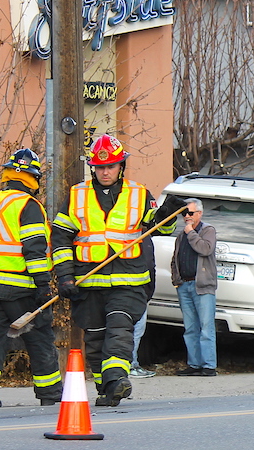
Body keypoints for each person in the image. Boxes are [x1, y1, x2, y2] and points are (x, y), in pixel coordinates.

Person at [52, 134, 183, 407]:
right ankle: (107, 388)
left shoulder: (138, 194)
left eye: (110, 166)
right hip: (88, 282)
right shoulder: (77, 195)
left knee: (120, 328)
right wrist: (64, 276)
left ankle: (117, 377)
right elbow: (61, 238)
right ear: (93, 168)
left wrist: (167, 213)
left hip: (129, 280)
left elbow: (159, 228)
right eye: (100, 167)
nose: (105, 172)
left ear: (120, 166)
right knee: (96, 338)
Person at [0, 148, 63, 408]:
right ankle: (50, 394)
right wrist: (43, 285)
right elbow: (33, 248)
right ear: (34, 180)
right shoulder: (29, 206)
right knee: (39, 336)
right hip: (21, 288)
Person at [172, 198, 219, 377]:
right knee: (190, 327)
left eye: (190, 213)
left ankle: (208, 366)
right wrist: (176, 279)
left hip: (203, 286)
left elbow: (205, 249)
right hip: (185, 285)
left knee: (206, 327)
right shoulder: (181, 235)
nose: (187, 217)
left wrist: (191, 233)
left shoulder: (207, 230)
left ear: (199, 213)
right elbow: (175, 258)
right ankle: (194, 364)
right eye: (184, 213)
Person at [129, 235, 157, 378]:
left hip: (142, 292)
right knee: (132, 331)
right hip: (131, 291)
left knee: (138, 331)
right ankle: (130, 365)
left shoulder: (147, 238)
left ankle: (132, 363)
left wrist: (150, 291)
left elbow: (151, 265)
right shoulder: (131, 236)